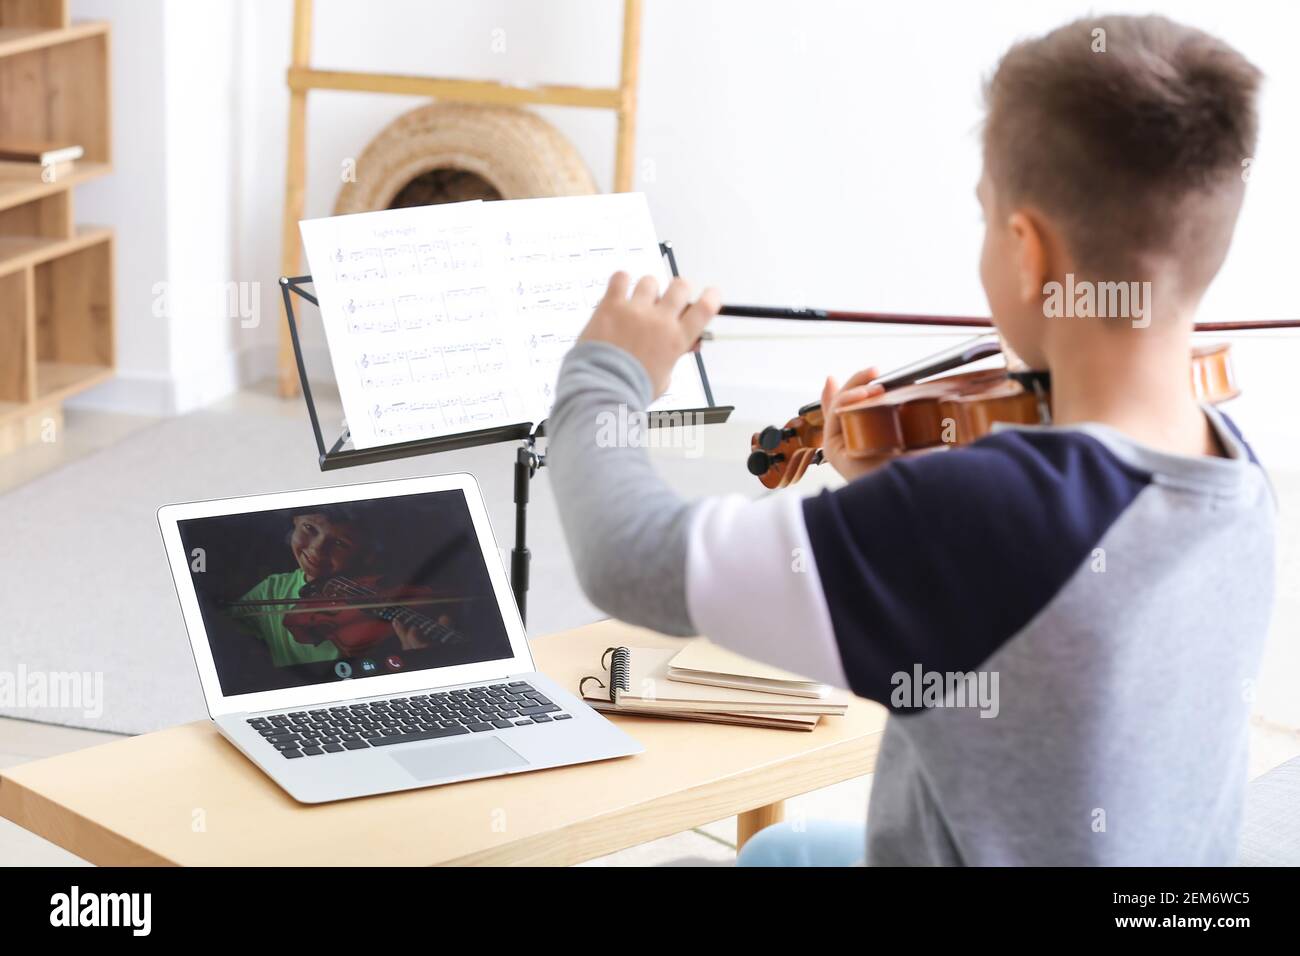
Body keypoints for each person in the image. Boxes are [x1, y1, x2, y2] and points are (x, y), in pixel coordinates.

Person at [544, 14, 1274, 865]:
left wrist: (606, 371)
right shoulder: (1235, 469)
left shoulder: (984, 514)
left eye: (983, 217)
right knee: (786, 852)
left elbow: (628, 558)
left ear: (1027, 249)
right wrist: (899, 504)